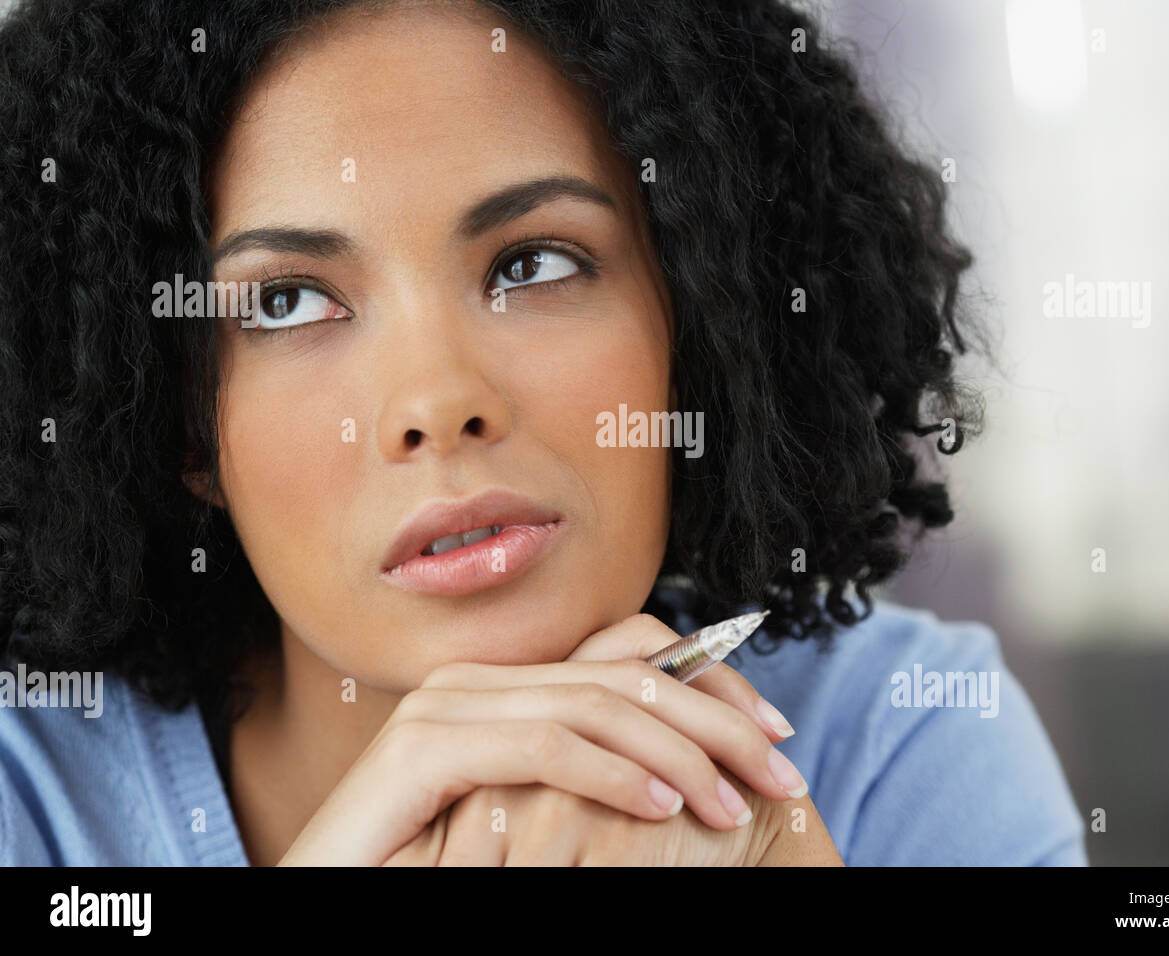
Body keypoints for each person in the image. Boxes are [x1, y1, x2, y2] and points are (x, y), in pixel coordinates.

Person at [0, 0, 1086, 865]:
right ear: (188, 430)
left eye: (533, 264)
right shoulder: (26, 792)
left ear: (701, 324)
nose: (436, 401)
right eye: (286, 302)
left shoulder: (897, 738)